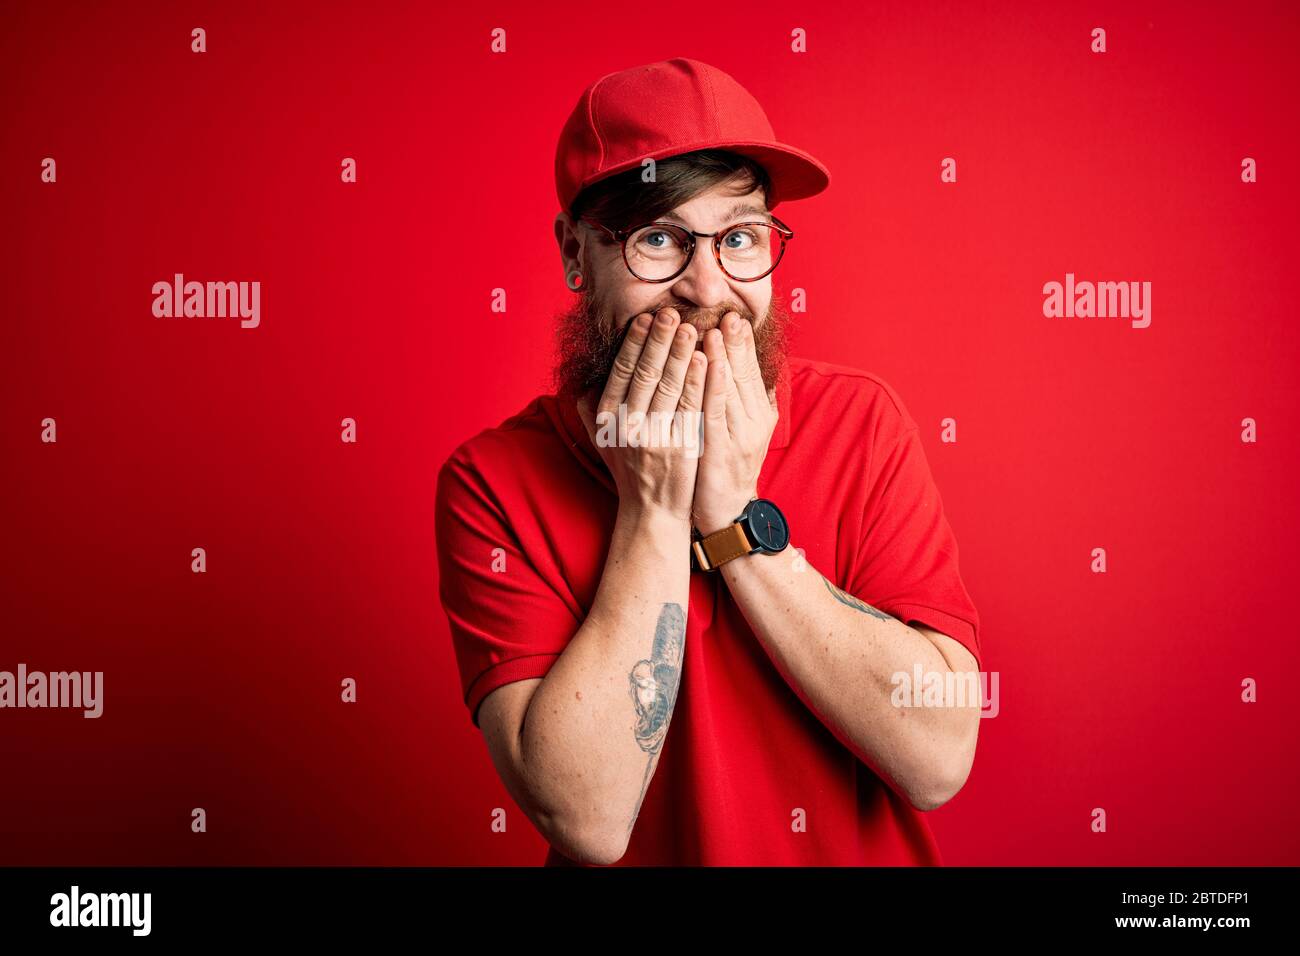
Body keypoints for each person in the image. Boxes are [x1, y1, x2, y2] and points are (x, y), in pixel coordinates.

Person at [436, 57, 982, 866]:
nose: (709, 286)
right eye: (659, 239)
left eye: (739, 238)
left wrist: (733, 519)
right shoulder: (492, 484)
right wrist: (654, 509)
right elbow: (586, 820)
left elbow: (938, 759)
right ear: (575, 255)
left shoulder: (863, 425)